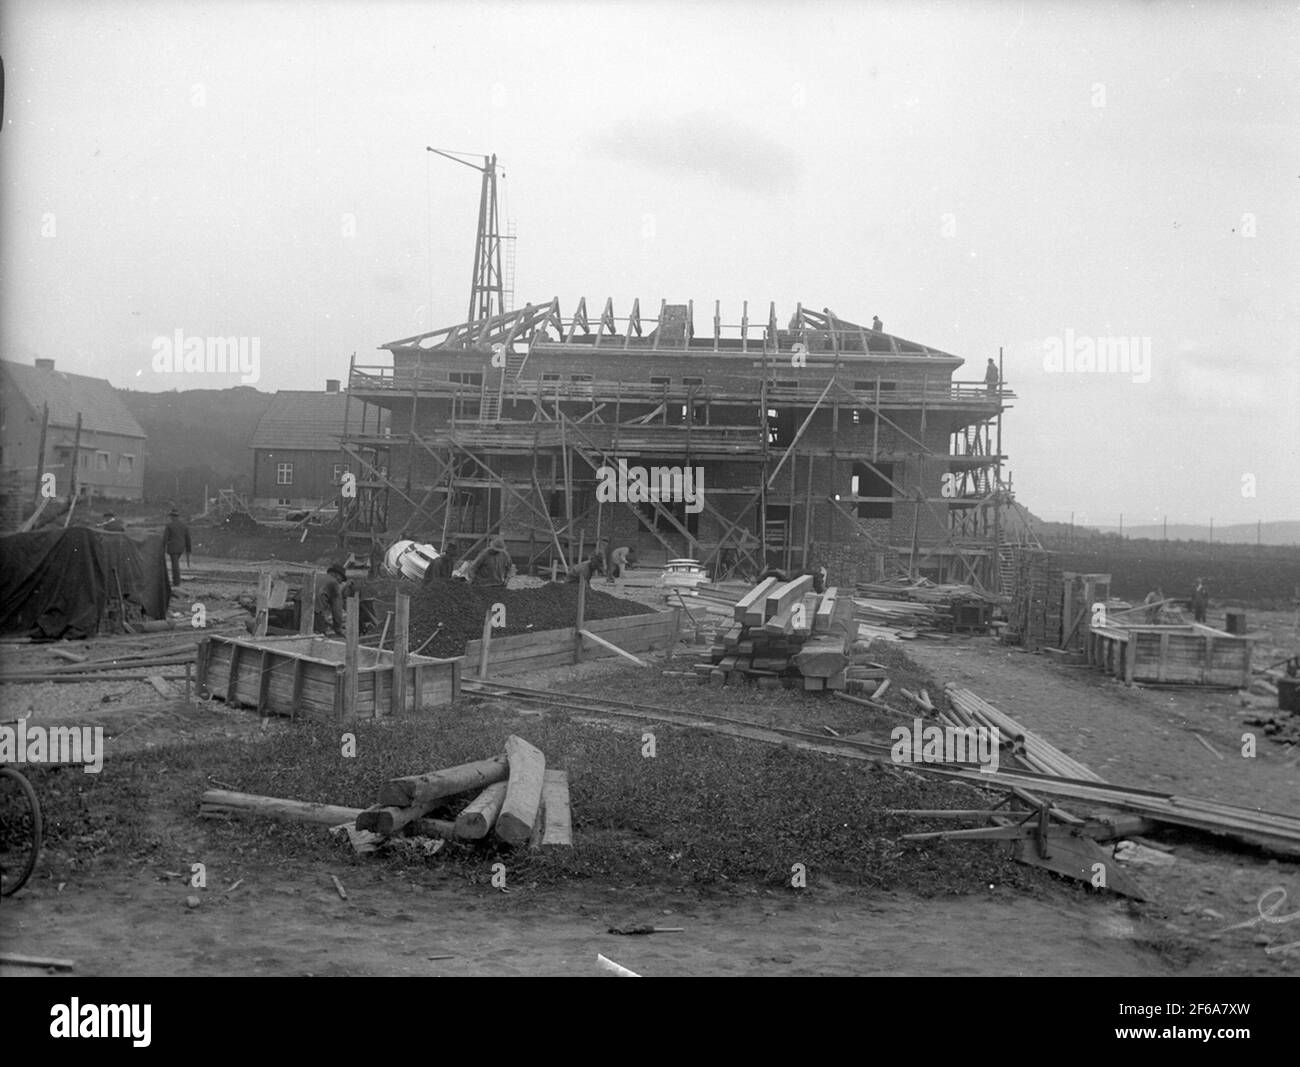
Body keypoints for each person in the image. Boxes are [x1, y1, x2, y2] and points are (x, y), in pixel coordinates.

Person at [314, 564, 347, 635]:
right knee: (319, 636)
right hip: (315, 610)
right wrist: (338, 628)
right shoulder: (334, 583)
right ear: (337, 575)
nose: (341, 582)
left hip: (298, 603)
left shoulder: (317, 576)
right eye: (342, 579)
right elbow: (337, 609)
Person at [164, 508, 191, 585]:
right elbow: (188, 538)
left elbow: (165, 538)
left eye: (171, 516)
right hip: (181, 548)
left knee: (175, 564)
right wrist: (188, 549)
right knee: (175, 563)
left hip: (172, 548)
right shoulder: (184, 526)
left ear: (172, 516)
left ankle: (176, 581)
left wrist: (162, 548)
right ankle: (176, 580)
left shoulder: (169, 526)